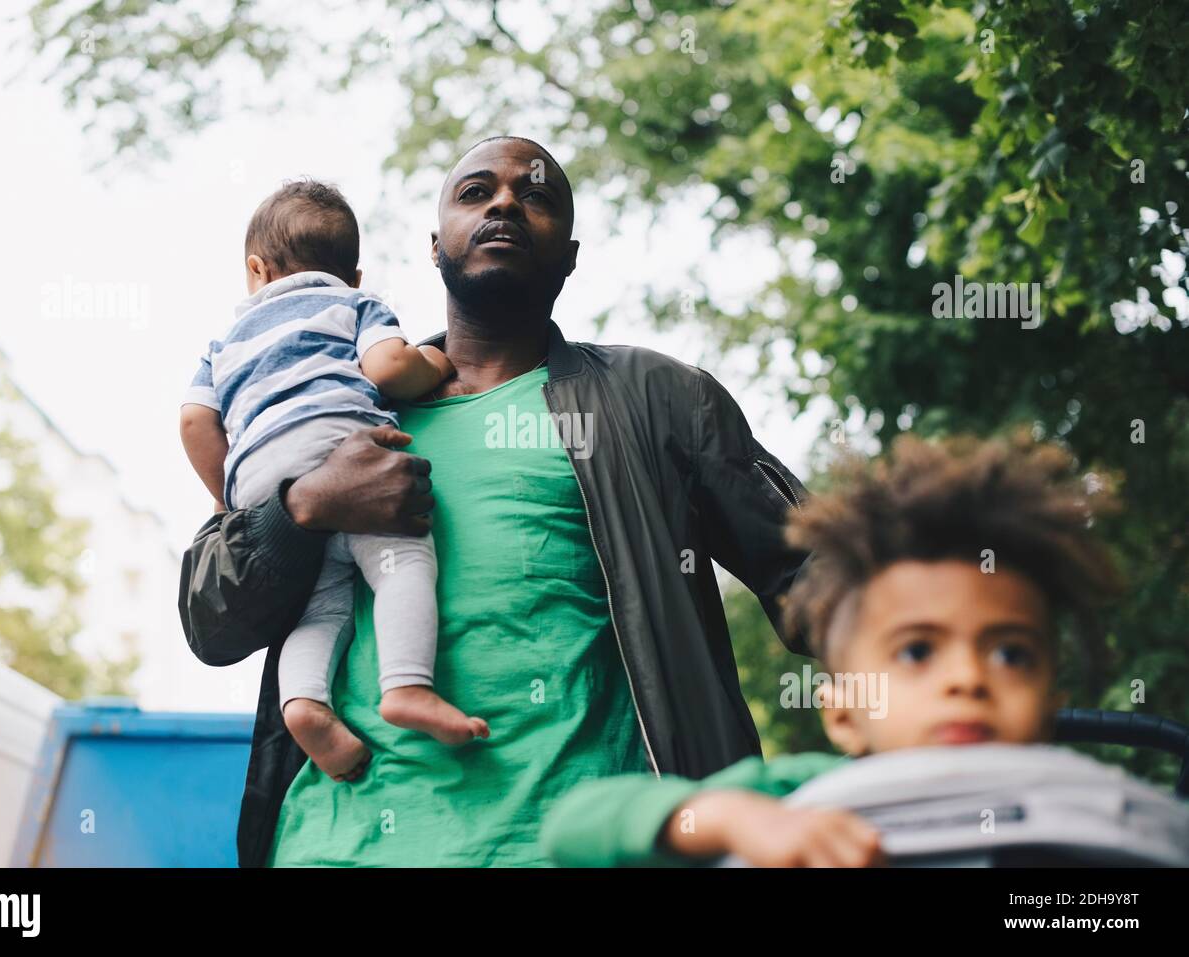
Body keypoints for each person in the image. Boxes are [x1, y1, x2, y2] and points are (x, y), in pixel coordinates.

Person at [177, 136, 811, 866]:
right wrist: (307, 505)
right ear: (435, 245)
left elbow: (818, 569)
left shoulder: (657, 400)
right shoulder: (339, 404)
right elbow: (210, 620)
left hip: (576, 847)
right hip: (332, 846)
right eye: (476, 192)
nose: (505, 201)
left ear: (569, 255)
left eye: (535, 195)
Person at [539, 434, 1124, 867]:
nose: (968, 679)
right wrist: (733, 819)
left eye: (1011, 656)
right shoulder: (804, 797)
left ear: (1052, 707)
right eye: (918, 652)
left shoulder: (1098, 812)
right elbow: (573, 827)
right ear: (843, 714)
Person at [180, 179, 488, 783]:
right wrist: (438, 360)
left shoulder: (222, 344)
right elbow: (389, 366)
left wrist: (225, 498)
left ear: (256, 270)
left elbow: (194, 420)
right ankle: (406, 687)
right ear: (353, 271)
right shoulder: (353, 304)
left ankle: (304, 706)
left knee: (318, 610)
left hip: (263, 482)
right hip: (343, 445)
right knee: (403, 562)